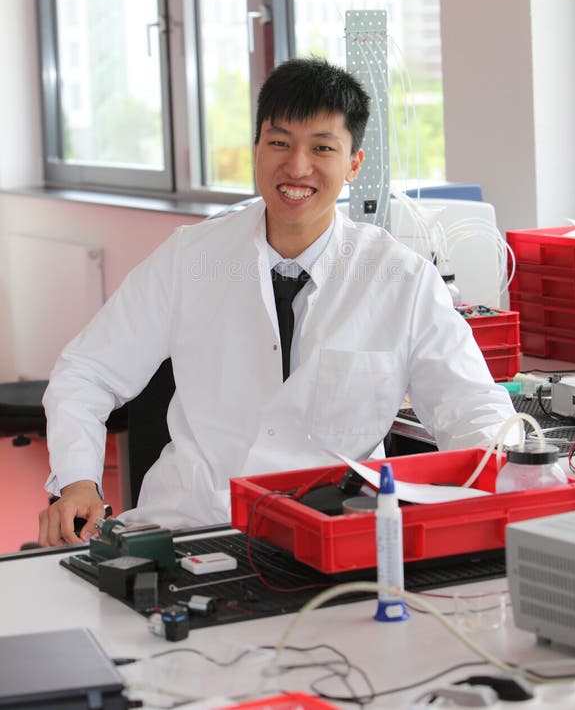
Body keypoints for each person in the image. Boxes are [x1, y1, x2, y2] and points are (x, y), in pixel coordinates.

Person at [38, 57, 515, 546]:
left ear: (354, 164)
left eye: (322, 147)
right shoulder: (189, 259)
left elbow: (471, 405)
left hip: (335, 535)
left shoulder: (401, 280)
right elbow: (87, 372)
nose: (297, 167)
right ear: (257, 151)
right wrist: (78, 481)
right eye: (279, 143)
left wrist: (515, 473)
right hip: (192, 527)